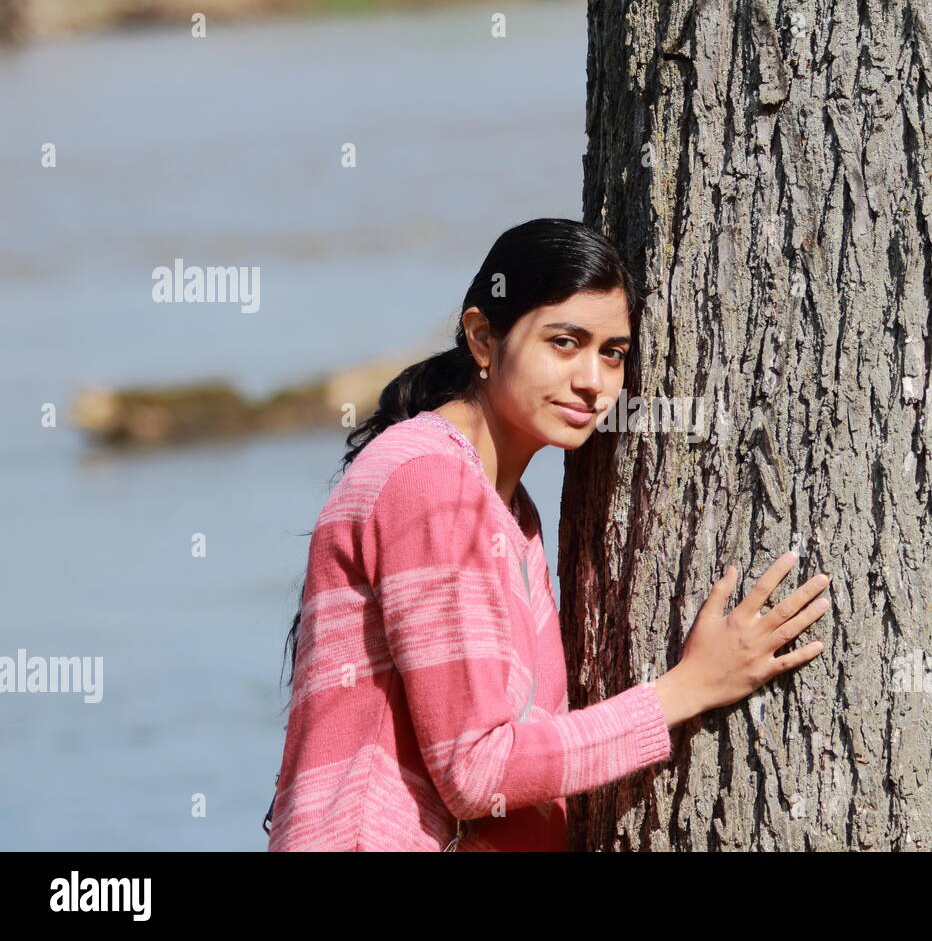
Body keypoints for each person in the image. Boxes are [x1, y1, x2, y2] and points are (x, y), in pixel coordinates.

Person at [265, 217, 830, 850]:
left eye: (612, 352)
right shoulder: (433, 485)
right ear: (483, 338)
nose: (593, 380)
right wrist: (689, 687)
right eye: (564, 342)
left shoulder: (507, 505)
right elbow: (476, 771)